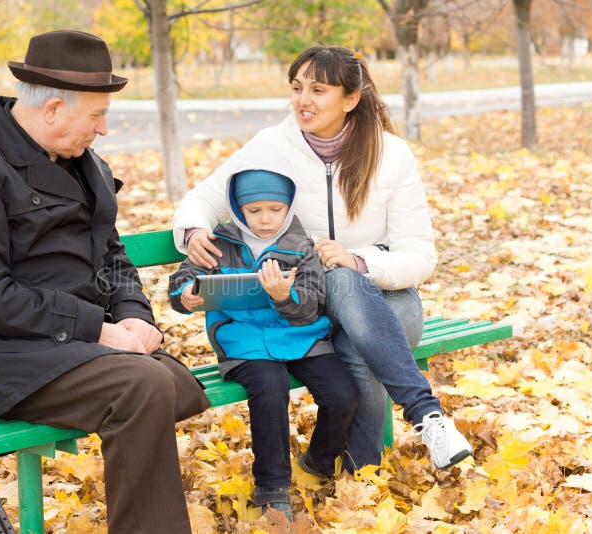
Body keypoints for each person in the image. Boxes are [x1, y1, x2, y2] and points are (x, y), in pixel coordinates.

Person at [0, 30, 210, 533]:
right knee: (145, 385)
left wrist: (134, 315)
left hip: (75, 348)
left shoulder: (87, 164)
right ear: (54, 109)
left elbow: (113, 255)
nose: (104, 129)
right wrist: (97, 329)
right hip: (4, 357)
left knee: (172, 384)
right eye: (97, 115)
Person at [172, 45, 472, 471]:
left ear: (350, 99)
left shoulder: (391, 155)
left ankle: (360, 466)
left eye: (318, 90)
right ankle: (414, 427)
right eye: (297, 88)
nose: (303, 100)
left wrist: (359, 261)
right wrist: (194, 229)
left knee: (350, 304)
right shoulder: (271, 146)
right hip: (307, 302)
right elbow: (203, 198)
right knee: (346, 316)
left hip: (389, 299)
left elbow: (420, 255)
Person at [167, 161, 357, 519]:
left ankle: (318, 459)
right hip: (245, 343)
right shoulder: (220, 243)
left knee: (342, 393)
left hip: (301, 337)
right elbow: (184, 277)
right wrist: (185, 293)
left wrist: (284, 297)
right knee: (270, 387)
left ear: (289, 208)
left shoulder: (301, 246)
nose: (266, 219)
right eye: (254, 211)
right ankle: (272, 485)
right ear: (239, 209)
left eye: (275, 209)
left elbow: (312, 303)